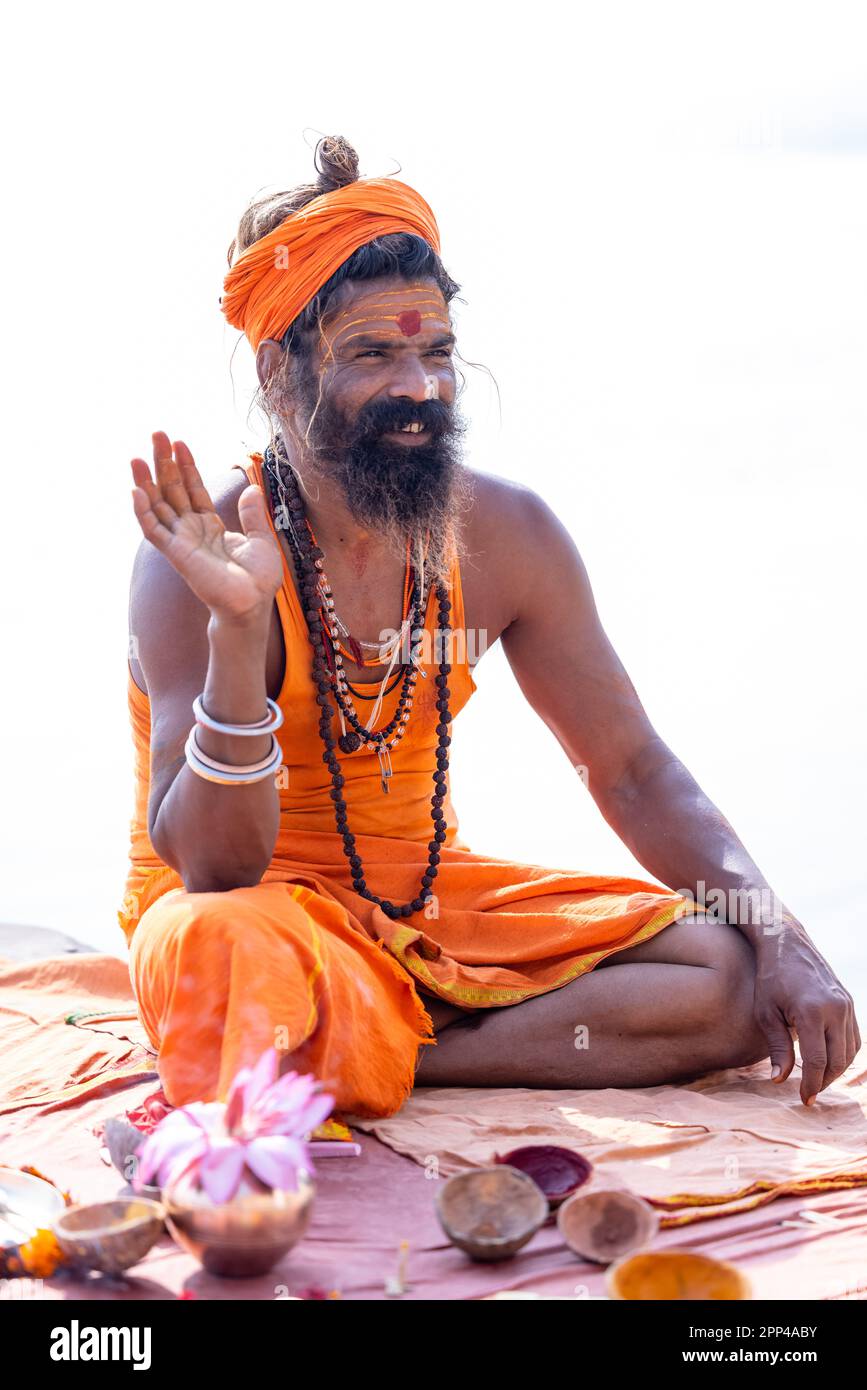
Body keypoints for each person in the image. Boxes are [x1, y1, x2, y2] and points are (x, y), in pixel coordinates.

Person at [122, 135, 859, 1119]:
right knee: (224, 951)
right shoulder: (201, 550)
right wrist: (236, 623)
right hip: (270, 921)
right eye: (375, 354)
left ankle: (396, 1054)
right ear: (278, 374)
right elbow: (213, 868)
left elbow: (631, 768)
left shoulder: (506, 536)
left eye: (435, 354)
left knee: (726, 970)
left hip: (432, 909)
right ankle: (361, 1031)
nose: (419, 390)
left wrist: (786, 937)